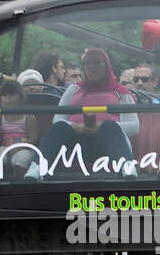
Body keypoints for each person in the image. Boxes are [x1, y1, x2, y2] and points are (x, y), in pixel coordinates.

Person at [33, 47, 139, 175]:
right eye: (88, 63)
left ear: (107, 65)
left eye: (97, 62)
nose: (92, 67)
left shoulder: (121, 92)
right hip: (74, 146)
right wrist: (76, 127)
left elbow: (134, 126)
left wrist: (101, 126)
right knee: (60, 127)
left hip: (108, 146)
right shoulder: (73, 89)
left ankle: (127, 168)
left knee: (109, 126)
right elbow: (57, 120)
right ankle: (37, 168)